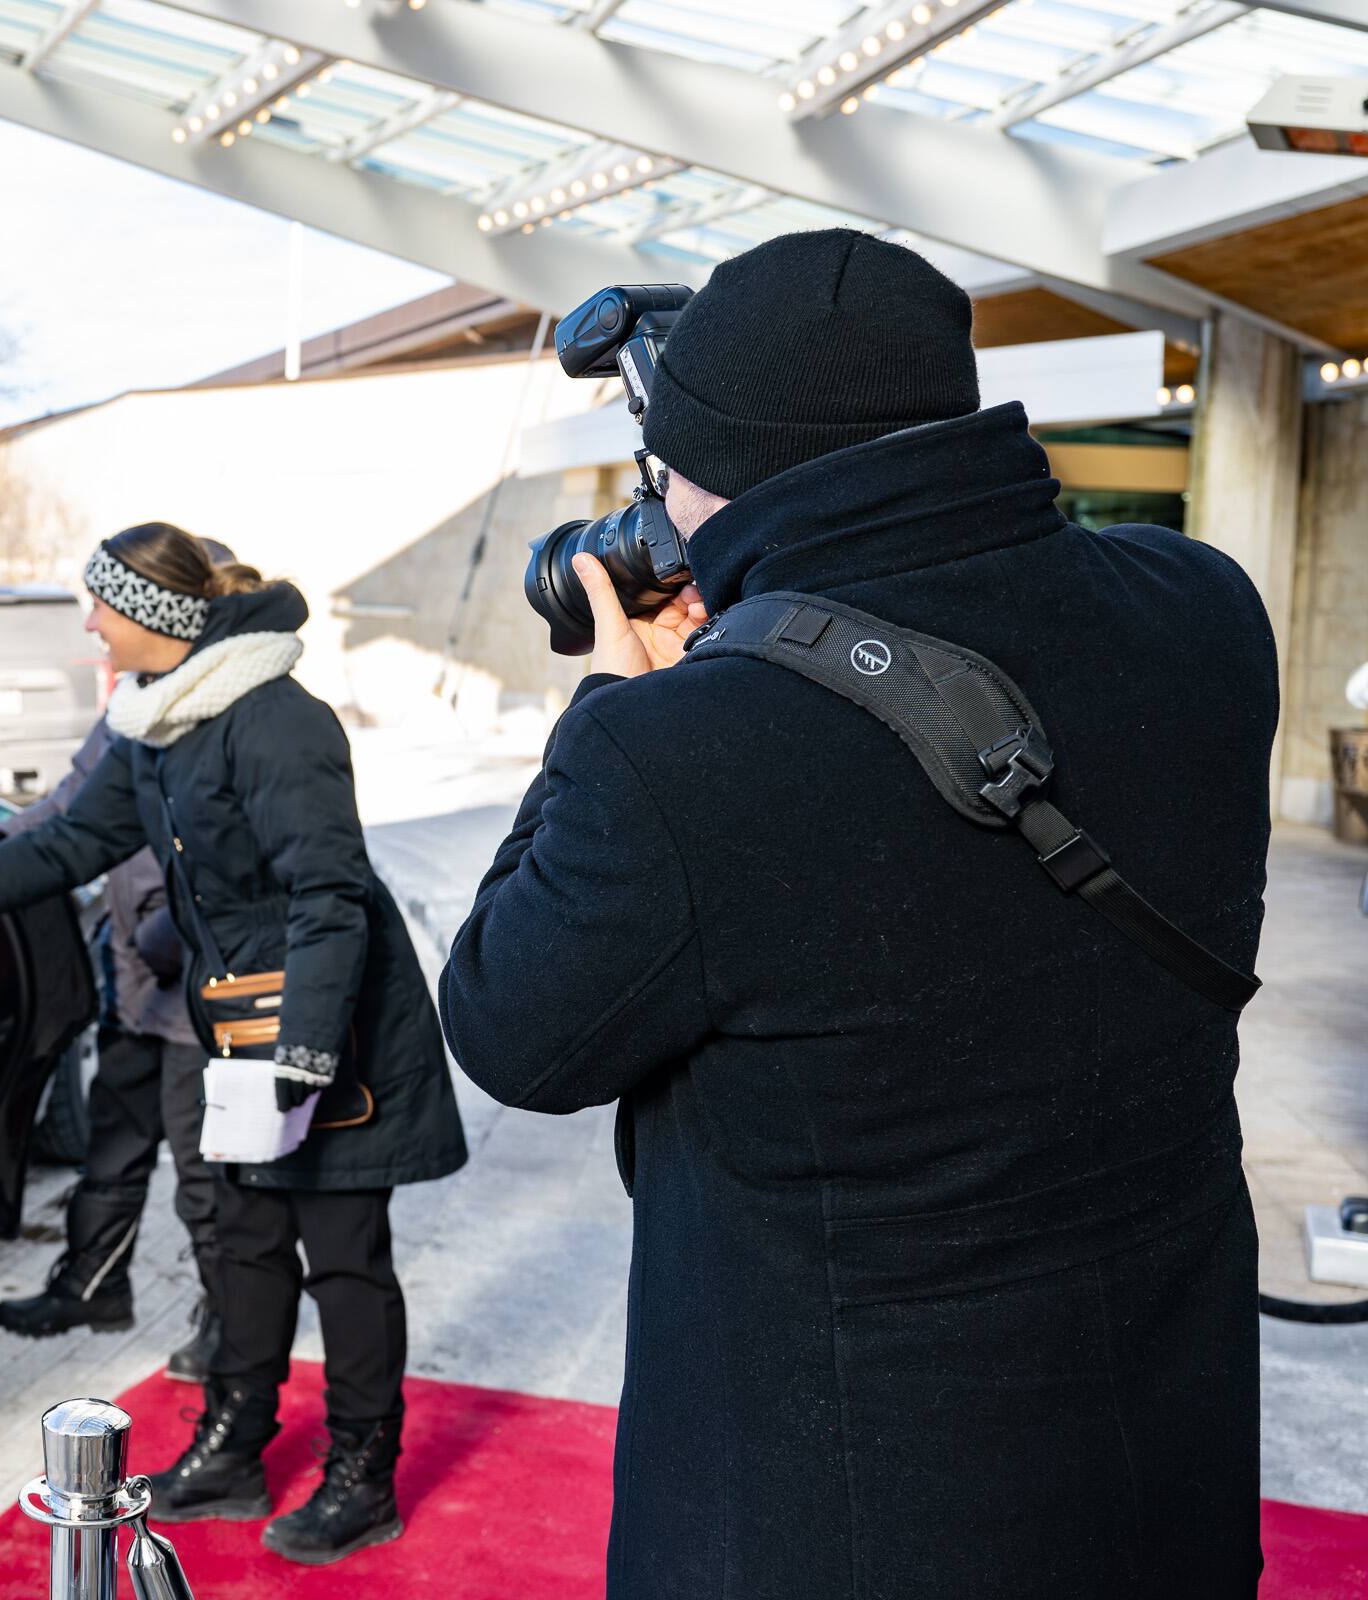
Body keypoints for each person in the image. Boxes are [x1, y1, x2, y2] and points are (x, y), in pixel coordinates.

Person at [440, 229, 1277, 1598]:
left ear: (723, 476)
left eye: (665, 481)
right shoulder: (1205, 610)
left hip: (848, 1507)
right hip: (1161, 1448)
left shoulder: (677, 754)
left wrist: (613, 695)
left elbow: (509, 1031)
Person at [0, 523, 467, 1568]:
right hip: (239, 1022)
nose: (89, 622)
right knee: (246, 1238)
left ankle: (362, 1474)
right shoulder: (158, 725)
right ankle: (233, 1446)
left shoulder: (273, 720)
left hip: (327, 1017)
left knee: (344, 1258)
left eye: (102, 604)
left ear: (156, 615)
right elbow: (77, 840)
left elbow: (329, 890)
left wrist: (304, 1053)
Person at [0, 541, 241, 1382]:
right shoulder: (130, 706)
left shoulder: (236, 706)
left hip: (197, 987)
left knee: (204, 1172)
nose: (100, 628)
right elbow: (67, 813)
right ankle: (92, 1283)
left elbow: (253, 858)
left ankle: (227, 1322)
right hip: (132, 969)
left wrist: (182, 929)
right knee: (114, 1137)